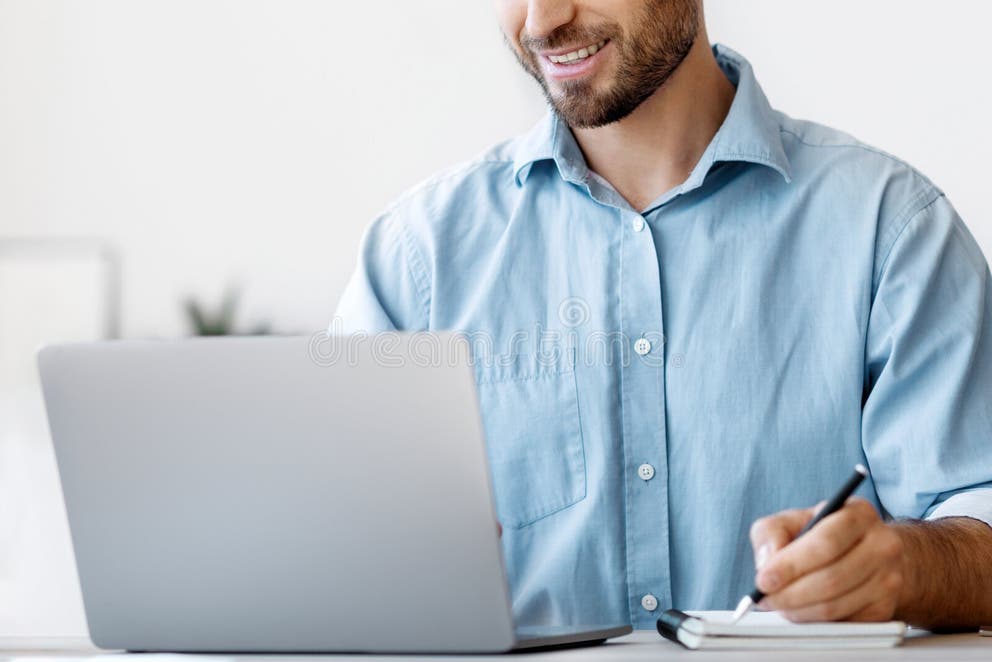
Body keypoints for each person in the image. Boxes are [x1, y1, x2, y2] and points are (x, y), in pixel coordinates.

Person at [332, 0, 992, 629]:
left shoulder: (893, 230)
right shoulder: (415, 260)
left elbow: (978, 513)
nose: (542, 21)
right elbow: (325, 547)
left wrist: (907, 570)